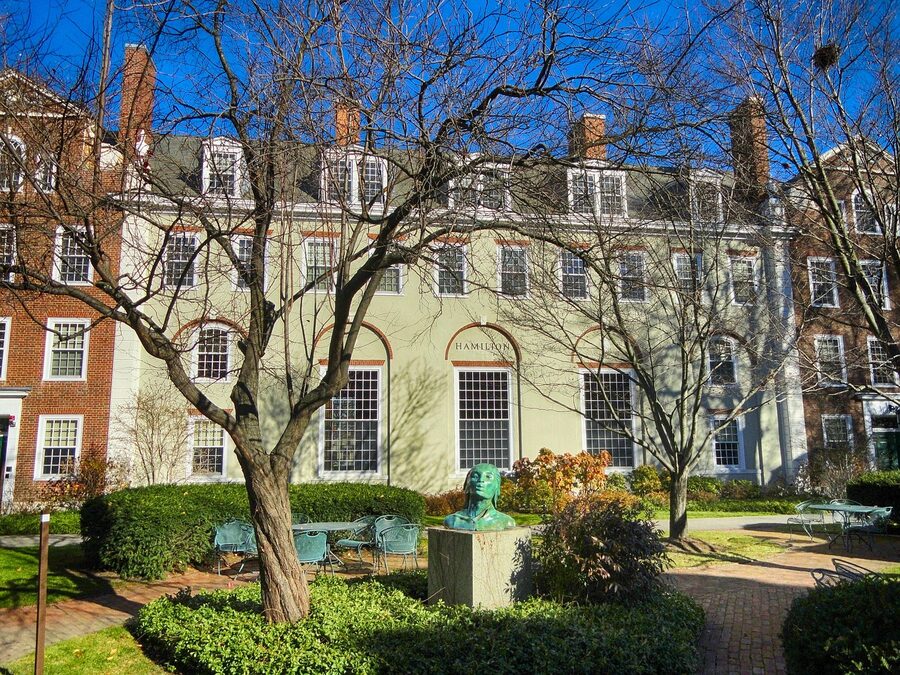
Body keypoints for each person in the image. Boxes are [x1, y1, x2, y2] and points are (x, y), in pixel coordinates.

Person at [443, 462, 517, 531]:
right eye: (475, 476)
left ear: (497, 486)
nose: (481, 480)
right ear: (467, 485)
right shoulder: (452, 520)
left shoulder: (506, 522)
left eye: (488, 477)